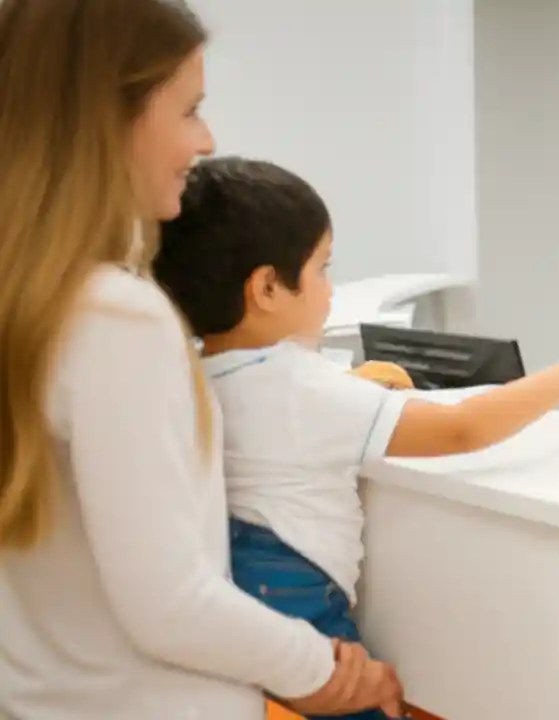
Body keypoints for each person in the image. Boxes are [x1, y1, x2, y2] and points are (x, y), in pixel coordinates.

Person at [0, 1, 402, 717]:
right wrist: (329, 672)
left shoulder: (35, 301)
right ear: (107, 117)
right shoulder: (118, 317)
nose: (206, 139)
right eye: (189, 110)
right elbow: (171, 604)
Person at [151, 156, 559, 718]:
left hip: (240, 601)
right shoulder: (300, 385)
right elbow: (460, 427)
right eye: (323, 269)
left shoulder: (192, 374)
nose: (329, 290)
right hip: (298, 602)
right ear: (268, 288)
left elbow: (288, 418)